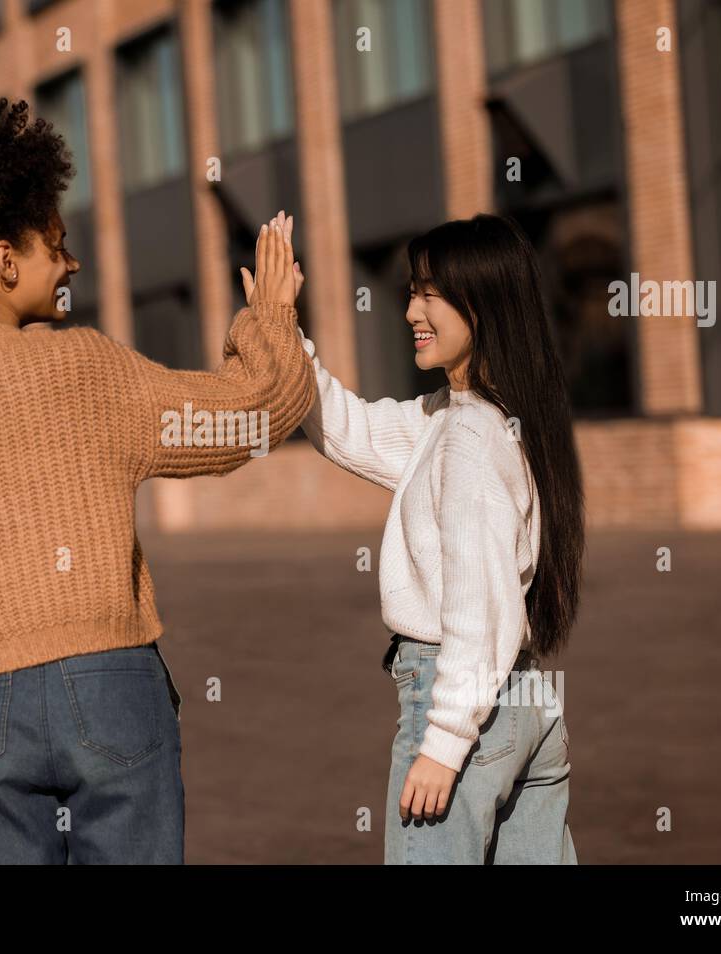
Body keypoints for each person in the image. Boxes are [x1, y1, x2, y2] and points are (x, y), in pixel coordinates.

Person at [0, 99, 310, 864]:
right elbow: (251, 417)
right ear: (6, 259)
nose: (72, 264)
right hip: (114, 690)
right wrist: (272, 319)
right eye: (58, 245)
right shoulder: (86, 368)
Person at [254, 210, 584, 863]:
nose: (410, 311)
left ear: (484, 305)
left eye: (430, 292)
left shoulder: (470, 437)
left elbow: (479, 607)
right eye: (411, 291)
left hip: (462, 705)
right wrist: (282, 326)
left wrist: (442, 744)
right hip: (523, 703)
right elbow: (346, 428)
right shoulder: (462, 419)